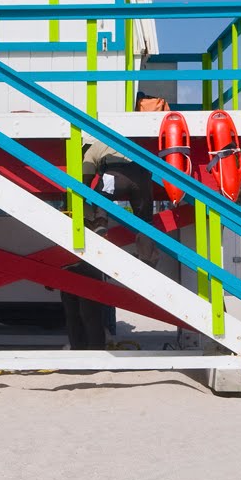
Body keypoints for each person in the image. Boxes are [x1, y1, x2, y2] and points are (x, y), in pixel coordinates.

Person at [60, 139, 156, 350]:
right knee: (145, 220)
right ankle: (148, 258)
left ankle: (101, 223)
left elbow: (83, 181)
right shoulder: (117, 142)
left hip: (115, 175)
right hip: (143, 175)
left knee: (102, 198)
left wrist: (78, 199)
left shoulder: (90, 152)